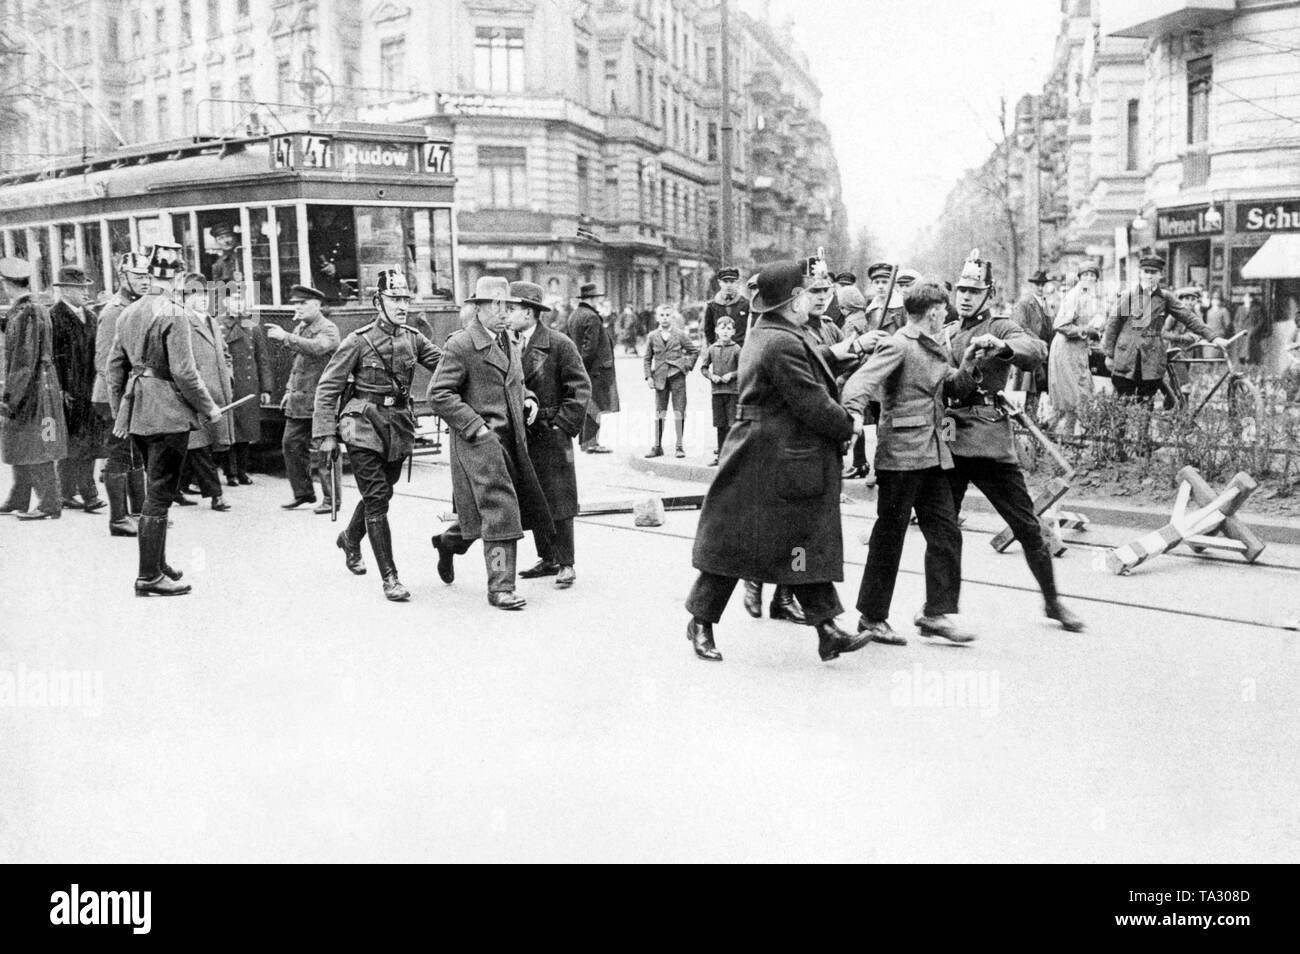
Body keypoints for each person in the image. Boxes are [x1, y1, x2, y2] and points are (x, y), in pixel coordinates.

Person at [684, 260, 872, 664]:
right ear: (792, 300)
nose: (812, 296)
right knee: (736, 545)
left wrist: (844, 351)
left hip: (776, 454)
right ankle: (700, 621)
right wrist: (849, 424)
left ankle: (827, 629)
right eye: (806, 291)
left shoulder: (773, 332)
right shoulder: (781, 340)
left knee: (800, 540)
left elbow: (809, 360)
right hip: (768, 458)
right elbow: (811, 401)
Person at [944, 249, 1085, 634]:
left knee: (1026, 524)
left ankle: (1053, 602)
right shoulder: (946, 331)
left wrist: (1003, 348)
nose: (966, 296)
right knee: (943, 527)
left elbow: (1035, 350)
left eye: (975, 291)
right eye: (962, 290)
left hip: (989, 437)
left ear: (989, 294)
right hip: (950, 437)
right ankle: (938, 612)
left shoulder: (1002, 327)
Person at [842, 280, 982, 645]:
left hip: (933, 455)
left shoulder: (935, 346)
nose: (947, 314)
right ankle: (871, 618)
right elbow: (859, 384)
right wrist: (852, 416)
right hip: (901, 457)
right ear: (934, 311)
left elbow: (950, 388)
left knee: (946, 533)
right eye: (944, 310)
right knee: (889, 537)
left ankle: (935, 613)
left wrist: (968, 366)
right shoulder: (898, 345)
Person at [314, 270, 443, 601]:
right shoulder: (358, 340)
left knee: (384, 491)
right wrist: (327, 434)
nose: (402, 306)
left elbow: (445, 366)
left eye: (405, 299)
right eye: (394, 299)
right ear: (378, 302)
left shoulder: (413, 338)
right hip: (362, 424)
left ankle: (350, 537)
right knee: (376, 497)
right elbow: (328, 387)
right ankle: (390, 578)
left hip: (397, 425)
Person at [428, 276, 554, 610]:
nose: (504, 311)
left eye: (507, 305)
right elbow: (439, 394)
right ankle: (501, 587)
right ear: (479, 308)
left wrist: (528, 399)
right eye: (496, 304)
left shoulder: (508, 340)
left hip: (512, 442)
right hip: (479, 444)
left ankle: (446, 542)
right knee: (500, 511)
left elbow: (515, 382)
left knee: (487, 515)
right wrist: (475, 426)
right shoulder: (462, 344)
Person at [106, 243, 223, 596]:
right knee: (160, 494)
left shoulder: (128, 312)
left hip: (138, 413)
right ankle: (148, 576)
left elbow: (114, 368)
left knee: (155, 490)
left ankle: (157, 564)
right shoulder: (175, 312)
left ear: (152, 274)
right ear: (179, 276)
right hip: (168, 415)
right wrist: (209, 408)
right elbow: (185, 374)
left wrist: (120, 412)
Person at [508, 281, 591, 589]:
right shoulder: (508, 342)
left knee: (559, 499)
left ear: (529, 313)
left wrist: (562, 426)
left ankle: (566, 563)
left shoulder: (558, 343)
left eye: (512, 309)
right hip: (523, 434)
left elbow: (580, 388)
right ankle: (548, 558)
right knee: (533, 498)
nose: (507, 314)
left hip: (550, 433)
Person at [1103, 254, 1224, 401]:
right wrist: (1109, 355)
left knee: (1146, 401)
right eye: (1146, 271)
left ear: (1160, 275)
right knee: (1122, 401)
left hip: (1151, 357)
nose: (1149, 276)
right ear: (1140, 273)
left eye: (1153, 272)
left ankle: (1144, 422)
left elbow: (1189, 317)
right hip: (1126, 355)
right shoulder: (1128, 296)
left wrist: (1213, 336)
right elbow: (1113, 324)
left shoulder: (1165, 297)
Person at [0, 257, 67, 520]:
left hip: (31, 389)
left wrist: (9, 400)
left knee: (37, 445)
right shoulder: (33, 309)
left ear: (6, 284)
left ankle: (50, 504)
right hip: (41, 387)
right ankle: (19, 497)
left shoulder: (26, 312)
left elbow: (23, 360)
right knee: (23, 442)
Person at [91, 252, 152, 535]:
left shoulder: (138, 306)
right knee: (118, 454)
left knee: (135, 453)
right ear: (123, 277)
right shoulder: (115, 310)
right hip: (112, 395)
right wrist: (119, 406)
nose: (144, 281)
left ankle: (139, 512)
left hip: (131, 394)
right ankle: (118, 519)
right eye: (138, 276)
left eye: (147, 276)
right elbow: (105, 363)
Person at [268, 284, 339, 511]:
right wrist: (289, 391)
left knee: (325, 450)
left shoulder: (328, 329)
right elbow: (297, 366)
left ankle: (331, 499)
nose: (297, 307)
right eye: (295, 303)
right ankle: (304, 493)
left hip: (321, 402)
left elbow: (317, 348)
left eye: (303, 303)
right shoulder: (301, 328)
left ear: (317, 306)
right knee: (290, 445)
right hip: (299, 401)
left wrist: (285, 336)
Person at [49, 265, 106, 513]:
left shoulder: (91, 317)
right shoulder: (54, 317)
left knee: (84, 443)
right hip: (69, 392)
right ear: (65, 290)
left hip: (90, 389)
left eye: (86, 287)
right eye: (80, 288)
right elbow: (51, 357)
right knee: (78, 443)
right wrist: (60, 389)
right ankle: (89, 495)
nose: (85, 292)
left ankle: (65, 492)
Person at [180, 274, 235, 512]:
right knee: (199, 445)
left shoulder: (211, 321)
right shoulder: (182, 321)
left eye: (205, 295)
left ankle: (177, 489)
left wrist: (229, 375)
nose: (201, 300)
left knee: (201, 445)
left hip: (218, 391)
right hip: (196, 393)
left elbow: (225, 352)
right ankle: (216, 495)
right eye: (195, 295)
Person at [220, 294, 274, 485]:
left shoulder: (252, 325)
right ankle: (230, 473)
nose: (239, 304)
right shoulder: (218, 324)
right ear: (225, 303)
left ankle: (242, 471)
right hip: (229, 384)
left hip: (249, 386)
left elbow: (262, 359)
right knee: (230, 431)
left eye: (242, 300)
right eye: (234, 299)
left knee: (245, 431)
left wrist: (266, 389)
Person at [1048, 265, 1101, 437]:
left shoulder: (1088, 296)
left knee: (1080, 393)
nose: (1089, 278)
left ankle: (1060, 432)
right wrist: (1086, 330)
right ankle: (1052, 432)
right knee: (1071, 394)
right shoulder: (1074, 295)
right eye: (1086, 275)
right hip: (1065, 348)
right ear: (1079, 277)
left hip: (1077, 349)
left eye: (1093, 275)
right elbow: (1060, 325)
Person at [567, 282, 619, 453]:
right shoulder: (592, 317)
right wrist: (585, 369)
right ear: (591, 299)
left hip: (581, 367)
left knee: (587, 406)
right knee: (595, 406)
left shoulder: (574, 315)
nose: (598, 301)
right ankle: (591, 443)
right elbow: (589, 348)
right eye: (596, 298)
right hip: (594, 371)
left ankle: (586, 442)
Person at [643, 303, 699, 458]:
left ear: (672, 317)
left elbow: (694, 351)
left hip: (677, 377)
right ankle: (657, 446)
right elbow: (647, 358)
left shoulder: (679, 334)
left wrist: (686, 366)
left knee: (679, 411)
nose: (665, 318)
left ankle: (679, 446)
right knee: (660, 412)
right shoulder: (652, 336)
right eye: (661, 315)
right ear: (657, 317)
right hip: (660, 379)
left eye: (667, 315)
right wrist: (648, 376)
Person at [699, 315, 741, 467]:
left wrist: (732, 374)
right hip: (717, 392)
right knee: (720, 424)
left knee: (732, 424)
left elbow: (743, 368)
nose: (725, 332)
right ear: (716, 331)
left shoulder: (736, 349)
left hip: (732, 392)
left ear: (733, 332)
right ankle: (721, 455)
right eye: (722, 328)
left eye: (728, 329)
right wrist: (712, 376)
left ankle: (732, 456)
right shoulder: (712, 349)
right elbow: (703, 368)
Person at [1012, 270, 1053, 422]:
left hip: (1045, 353)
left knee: (1042, 387)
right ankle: (1029, 422)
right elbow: (1020, 326)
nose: (1040, 288)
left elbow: (1050, 327)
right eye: (1037, 284)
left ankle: (1035, 420)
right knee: (1032, 389)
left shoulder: (1046, 304)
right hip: (1032, 351)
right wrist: (1038, 342)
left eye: (1043, 284)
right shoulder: (1024, 303)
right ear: (1032, 285)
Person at [703, 267, 751, 346]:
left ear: (737, 283)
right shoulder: (712, 306)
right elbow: (708, 332)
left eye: (732, 282)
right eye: (725, 282)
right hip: (720, 351)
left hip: (741, 351)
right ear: (719, 283)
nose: (729, 285)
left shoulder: (746, 304)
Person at [862, 262, 905, 335]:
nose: (880, 286)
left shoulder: (902, 307)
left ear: (893, 283)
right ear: (872, 284)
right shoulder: (870, 309)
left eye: (884, 282)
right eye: (876, 282)